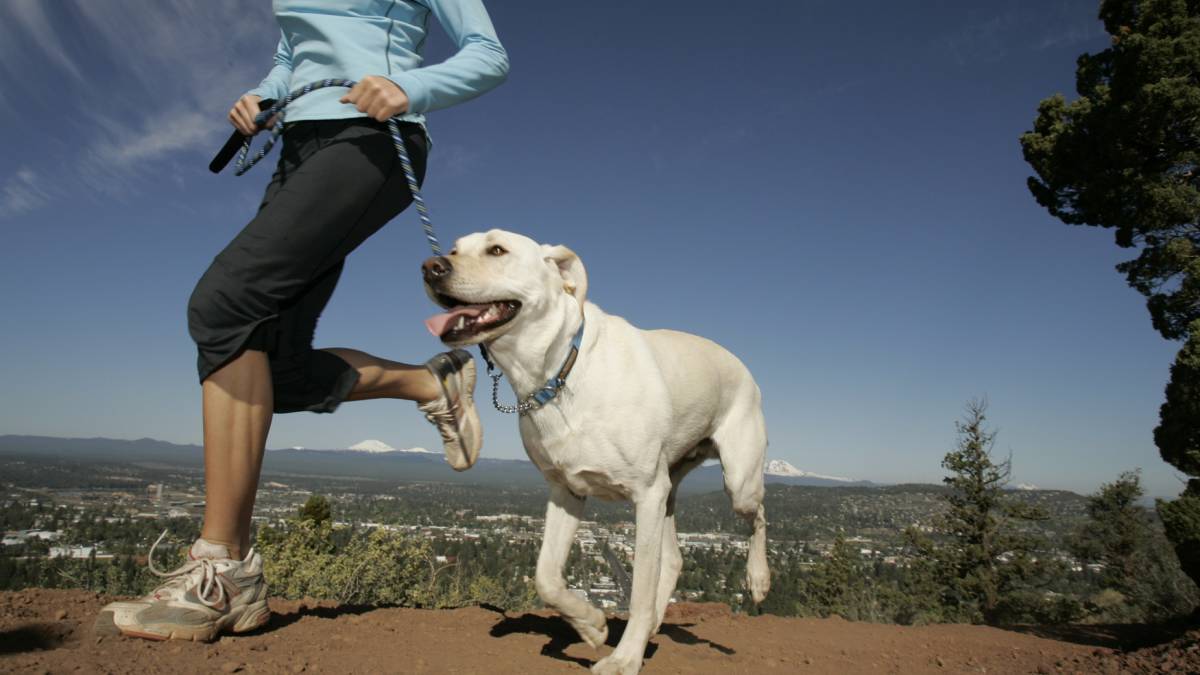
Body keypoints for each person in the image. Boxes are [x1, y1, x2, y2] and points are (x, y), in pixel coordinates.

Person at [95, 0, 508, 642]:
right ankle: (433, 383)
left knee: (225, 304)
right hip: (297, 146)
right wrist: (265, 93)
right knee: (275, 371)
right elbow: (295, 50)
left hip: (372, 140)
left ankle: (223, 567)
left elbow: (488, 54)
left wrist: (409, 87)